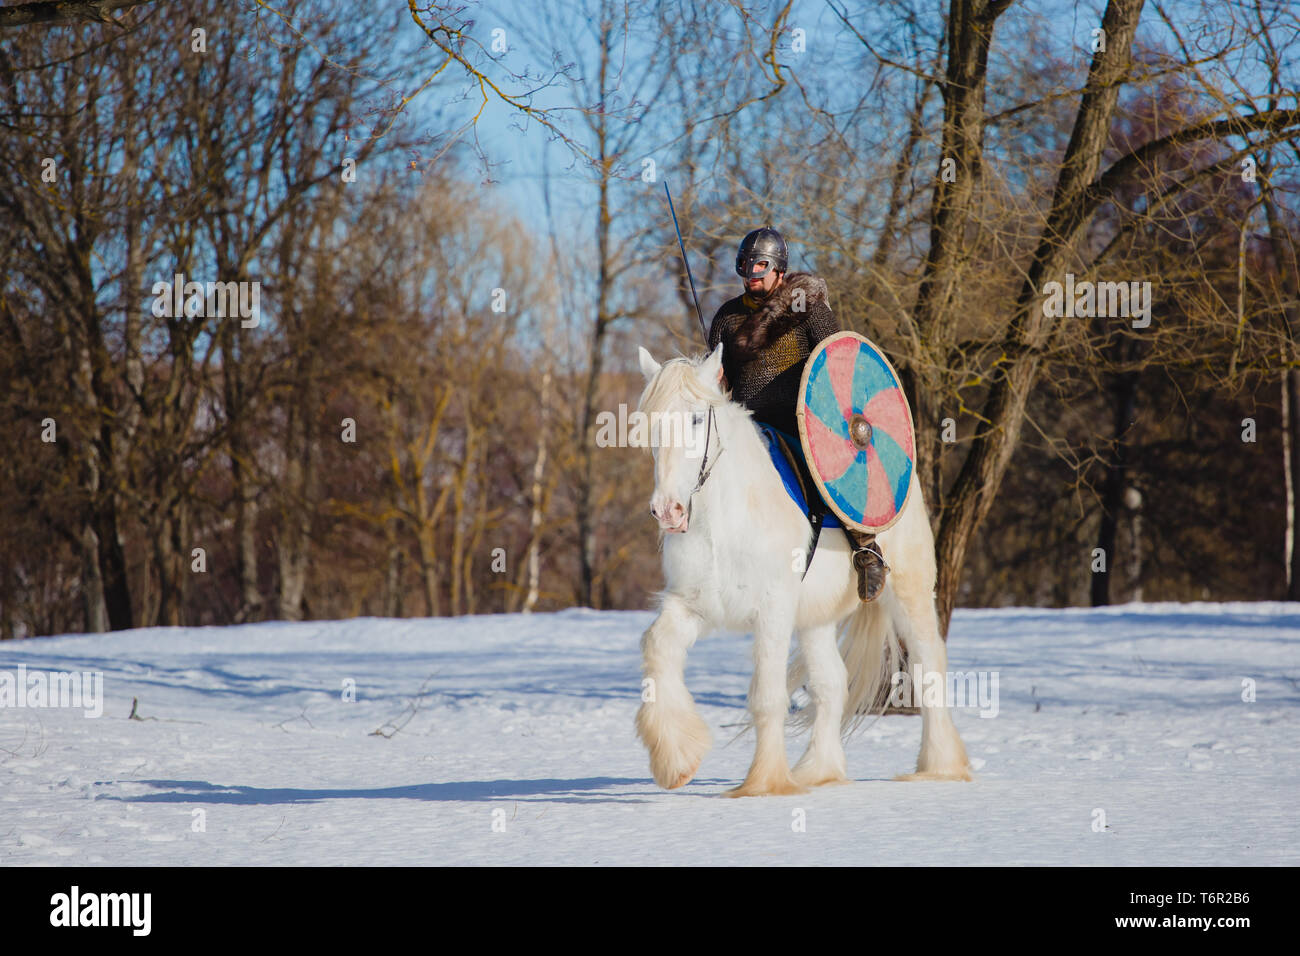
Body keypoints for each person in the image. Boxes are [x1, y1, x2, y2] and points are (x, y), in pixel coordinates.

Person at [708, 226, 888, 602]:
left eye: (760, 267)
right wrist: (717, 378)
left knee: (827, 468)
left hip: (804, 421)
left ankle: (866, 548)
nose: (752, 277)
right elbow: (718, 381)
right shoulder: (727, 318)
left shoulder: (807, 309)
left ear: (778, 269)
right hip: (748, 423)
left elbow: (837, 365)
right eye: (746, 267)